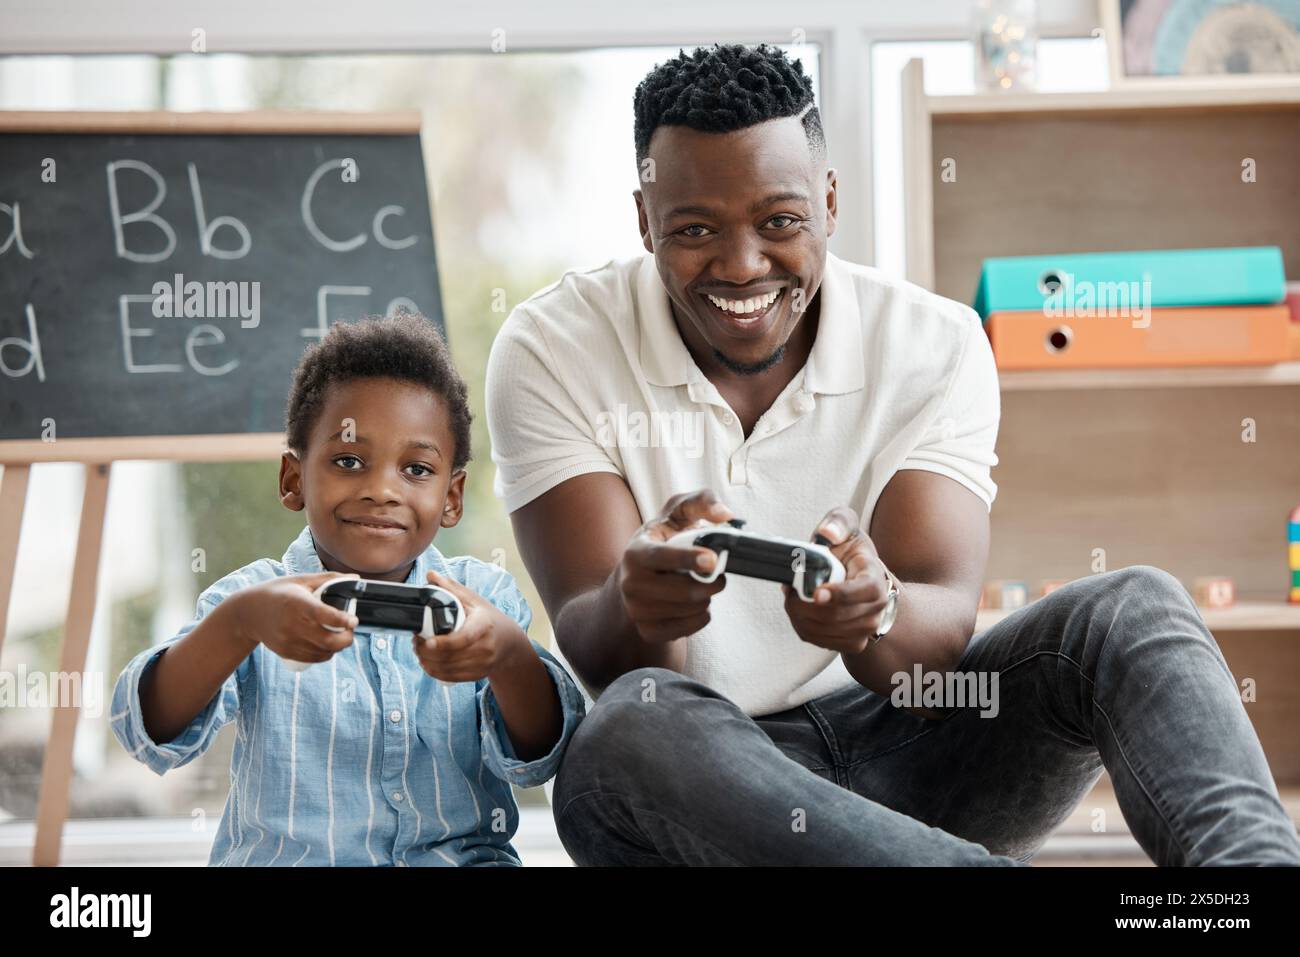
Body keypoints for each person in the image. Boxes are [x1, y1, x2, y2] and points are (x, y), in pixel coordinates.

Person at [484, 43, 1300, 865]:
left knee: (1134, 608)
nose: (742, 266)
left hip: (920, 756)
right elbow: (601, 648)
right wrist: (638, 604)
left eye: (780, 222)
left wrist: (873, 614)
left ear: (830, 202)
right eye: (694, 229)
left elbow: (936, 639)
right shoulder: (554, 347)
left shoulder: (934, 344)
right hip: (707, 792)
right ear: (643, 220)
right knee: (624, 729)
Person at [111, 313, 585, 866]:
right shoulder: (254, 601)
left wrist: (505, 655)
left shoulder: (483, 600)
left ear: (452, 497)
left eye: (416, 469)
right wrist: (238, 625)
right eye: (348, 461)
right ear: (294, 479)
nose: (382, 489)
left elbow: (540, 754)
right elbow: (147, 731)